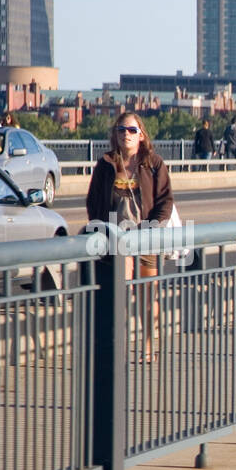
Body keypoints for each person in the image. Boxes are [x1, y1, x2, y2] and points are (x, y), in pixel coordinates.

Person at [85, 112, 174, 362]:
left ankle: (149, 347)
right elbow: (93, 201)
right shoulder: (105, 165)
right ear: (115, 134)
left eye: (132, 130)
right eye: (121, 129)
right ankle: (118, 347)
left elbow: (165, 201)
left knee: (148, 296)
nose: (126, 134)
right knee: (120, 294)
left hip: (146, 238)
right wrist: (102, 229)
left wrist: (152, 229)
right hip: (118, 239)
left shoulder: (153, 163)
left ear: (141, 135)